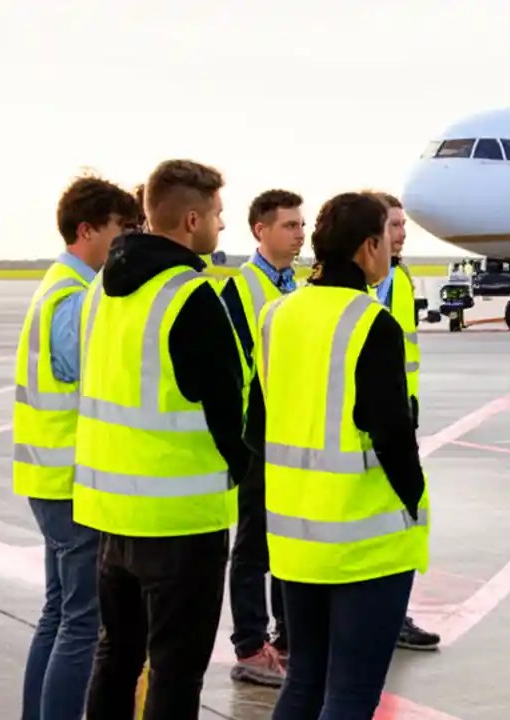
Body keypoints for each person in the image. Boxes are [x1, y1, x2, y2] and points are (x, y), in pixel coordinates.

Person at [73, 159, 252, 718]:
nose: (222, 226)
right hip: (179, 521)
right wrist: (240, 468)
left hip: (113, 514)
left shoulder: (104, 288)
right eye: (219, 214)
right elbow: (227, 407)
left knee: (116, 655)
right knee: (176, 671)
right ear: (191, 219)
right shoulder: (190, 296)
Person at [251, 191, 429, 718]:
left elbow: (255, 424)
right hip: (362, 541)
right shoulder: (370, 322)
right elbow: (393, 434)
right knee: (350, 692)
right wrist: (415, 498)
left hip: (294, 536)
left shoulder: (276, 315)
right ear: (368, 247)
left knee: (305, 679)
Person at [14, 175, 139, 720]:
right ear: (87, 230)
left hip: (48, 477)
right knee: (83, 622)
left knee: (58, 612)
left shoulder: (57, 285)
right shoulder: (76, 295)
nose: (126, 241)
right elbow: (82, 369)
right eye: (120, 230)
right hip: (70, 481)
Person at [218, 188, 305, 685]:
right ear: (260, 231)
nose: (299, 234)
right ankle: (250, 645)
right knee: (253, 546)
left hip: (294, 432)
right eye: (290, 225)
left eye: (301, 225)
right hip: (258, 436)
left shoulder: (297, 288)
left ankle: (287, 638)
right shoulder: (240, 291)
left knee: (289, 541)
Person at [367, 190, 440, 652]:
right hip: (373, 419)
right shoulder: (369, 284)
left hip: (401, 414)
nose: (401, 233)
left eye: (402, 226)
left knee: (402, 522)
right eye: (392, 225)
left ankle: (394, 613)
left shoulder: (401, 279)